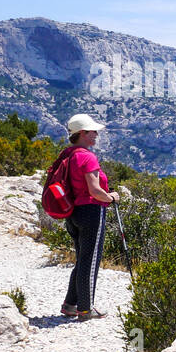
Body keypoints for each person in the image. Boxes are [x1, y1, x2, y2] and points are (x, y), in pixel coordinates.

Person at [59, 113, 115, 320]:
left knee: (82, 260)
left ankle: (70, 305)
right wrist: (111, 198)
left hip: (72, 213)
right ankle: (85, 308)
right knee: (90, 261)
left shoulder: (68, 155)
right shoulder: (87, 156)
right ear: (82, 133)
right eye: (93, 132)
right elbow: (95, 190)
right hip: (91, 212)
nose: (96, 135)